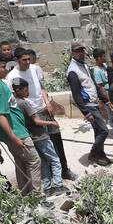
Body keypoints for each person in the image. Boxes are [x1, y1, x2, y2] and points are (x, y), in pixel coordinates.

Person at [10, 47, 74, 181]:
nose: (27, 62)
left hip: (45, 109)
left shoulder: (35, 69)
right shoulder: (12, 76)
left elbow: (42, 88)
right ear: (17, 60)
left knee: (56, 141)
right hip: (32, 114)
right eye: (24, 60)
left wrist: (48, 102)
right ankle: (48, 178)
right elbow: (15, 97)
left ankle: (64, 170)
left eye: (29, 59)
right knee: (42, 146)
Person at [0, 52, 41, 193]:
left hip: (14, 131)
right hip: (16, 132)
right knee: (34, 162)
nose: (6, 70)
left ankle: (26, 195)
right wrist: (14, 137)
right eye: (3, 67)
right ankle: (38, 197)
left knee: (22, 164)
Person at [14, 78, 63, 195]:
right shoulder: (24, 103)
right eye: (25, 90)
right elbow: (36, 121)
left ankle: (47, 188)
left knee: (44, 163)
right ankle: (58, 186)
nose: (28, 92)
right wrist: (52, 123)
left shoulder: (15, 103)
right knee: (55, 160)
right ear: (18, 90)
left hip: (32, 137)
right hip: (41, 136)